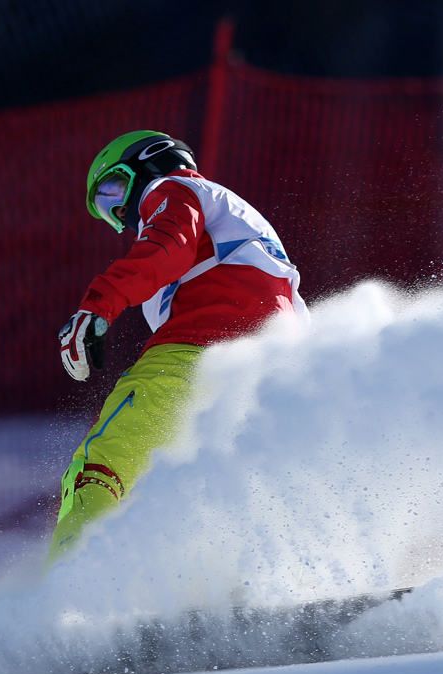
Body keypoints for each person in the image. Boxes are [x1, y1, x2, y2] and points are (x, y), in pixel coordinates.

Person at [48, 130, 307, 566]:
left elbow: (166, 247)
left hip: (200, 350)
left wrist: (97, 306)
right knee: (221, 483)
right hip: (276, 368)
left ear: (148, 161)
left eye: (112, 191)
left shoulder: (173, 188)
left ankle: (60, 598)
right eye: (105, 211)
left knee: (102, 464)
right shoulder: (235, 218)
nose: (117, 213)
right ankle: (253, 584)